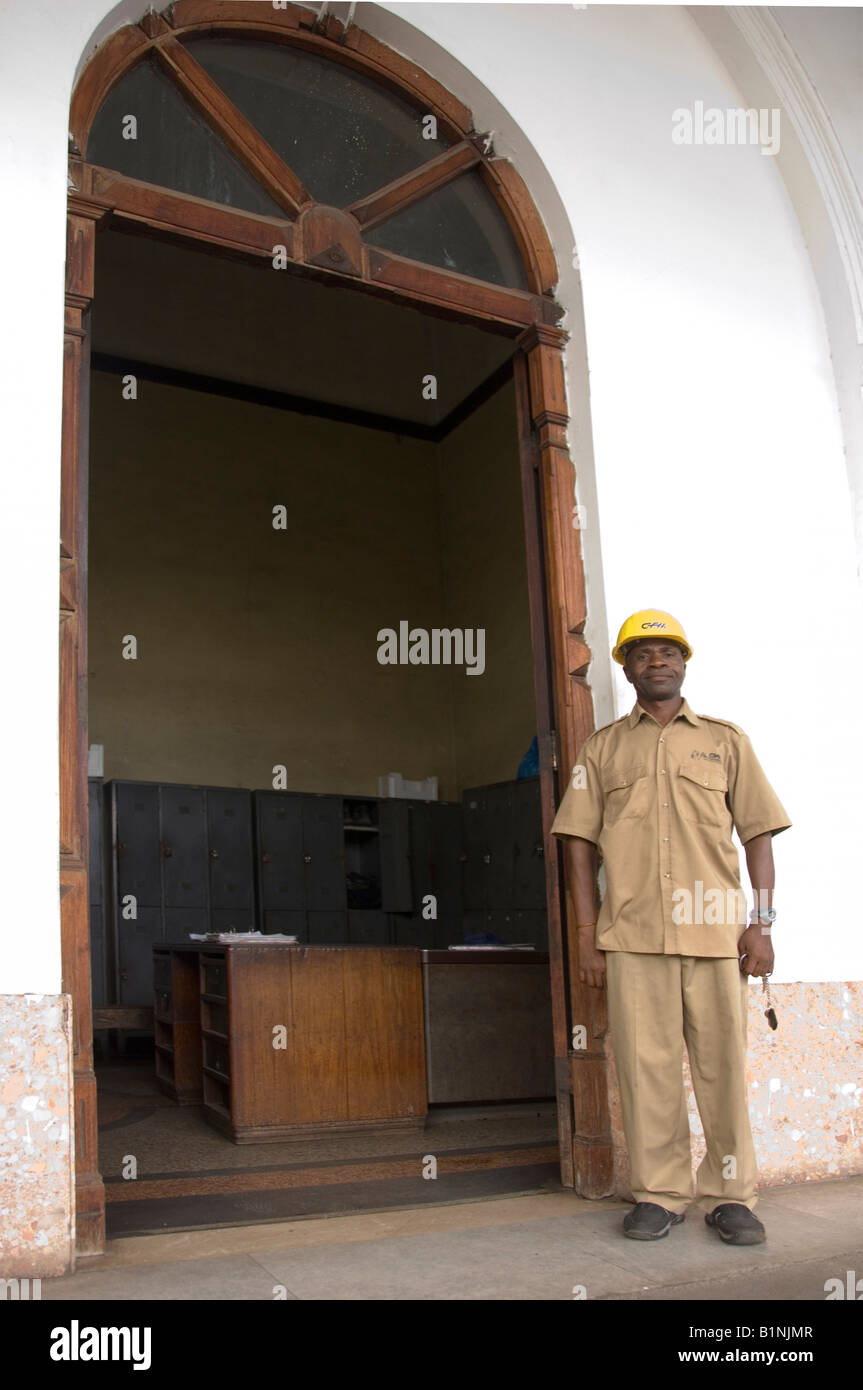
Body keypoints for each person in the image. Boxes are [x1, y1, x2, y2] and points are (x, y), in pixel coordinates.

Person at [551, 610, 790, 1244]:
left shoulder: (725, 740)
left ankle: (730, 1194)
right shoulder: (602, 748)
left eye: (668, 651)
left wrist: (760, 925)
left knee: (721, 1069)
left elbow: (759, 833)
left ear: (685, 662)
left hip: (715, 936)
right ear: (624, 668)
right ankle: (659, 1194)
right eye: (643, 653)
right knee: (643, 1068)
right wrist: (586, 934)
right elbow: (578, 844)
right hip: (631, 938)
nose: (657, 662)